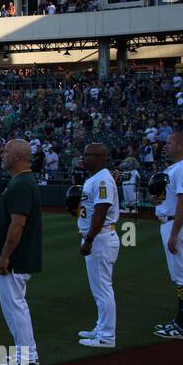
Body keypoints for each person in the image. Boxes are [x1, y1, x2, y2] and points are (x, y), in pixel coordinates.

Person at [0, 138, 43, 365]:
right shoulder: (20, 182)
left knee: (15, 306)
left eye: (6, 151)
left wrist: (5, 256)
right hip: (16, 258)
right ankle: (24, 353)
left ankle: (27, 356)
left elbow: (17, 225)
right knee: (14, 306)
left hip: (15, 259)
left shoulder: (21, 184)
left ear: (18, 156)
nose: (1, 154)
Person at [151, 131, 183, 339]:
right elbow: (172, 198)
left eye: (170, 142)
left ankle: (182, 326)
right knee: (180, 275)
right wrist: (159, 202)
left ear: (181, 144)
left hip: (180, 224)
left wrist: (174, 234)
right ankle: (179, 323)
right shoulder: (175, 168)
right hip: (172, 222)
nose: (165, 146)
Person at [75, 143, 120, 349]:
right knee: (100, 289)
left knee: (102, 289)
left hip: (100, 238)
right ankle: (101, 327)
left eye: (88, 154)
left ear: (101, 157)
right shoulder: (96, 177)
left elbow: (101, 210)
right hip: (98, 236)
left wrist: (89, 239)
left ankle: (106, 336)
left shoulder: (102, 178)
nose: (83, 157)